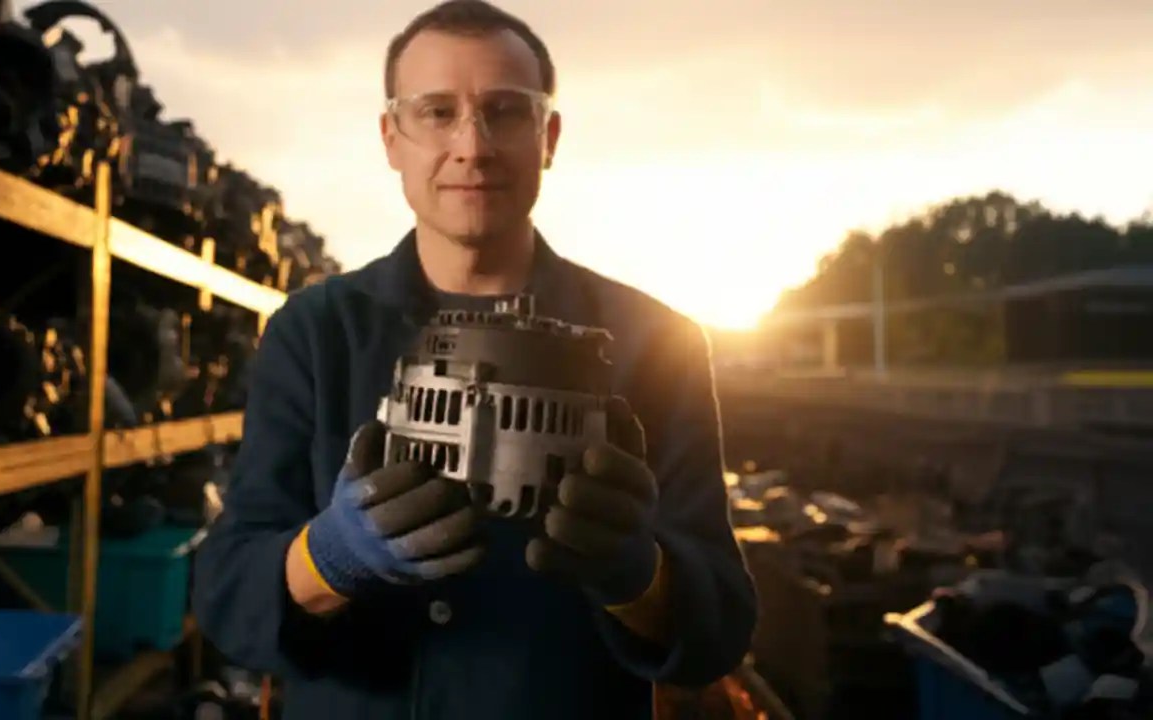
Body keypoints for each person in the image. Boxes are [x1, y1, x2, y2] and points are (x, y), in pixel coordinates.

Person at [191, 1, 757, 718]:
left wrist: (636, 574)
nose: (473, 145)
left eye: (506, 111)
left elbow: (720, 632)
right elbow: (226, 595)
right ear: (391, 138)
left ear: (548, 137)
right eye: (435, 112)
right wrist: (329, 557)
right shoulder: (313, 331)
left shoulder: (658, 342)